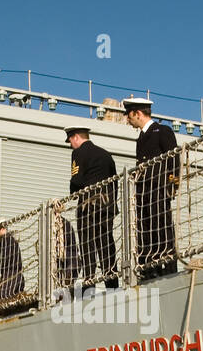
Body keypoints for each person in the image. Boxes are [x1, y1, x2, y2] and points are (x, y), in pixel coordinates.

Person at [124, 97, 179, 275]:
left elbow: (174, 161)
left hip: (158, 189)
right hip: (144, 192)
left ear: (137, 113)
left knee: (162, 227)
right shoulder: (141, 138)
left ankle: (168, 267)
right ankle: (150, 266)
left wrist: (172, 186)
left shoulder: (162, 131)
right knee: (145, 229)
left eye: (129, 115)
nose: (128, 120)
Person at [67, 126, 118, 289]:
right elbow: (114, 181)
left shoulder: (78, 153)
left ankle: (89, 284)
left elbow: (77, 180)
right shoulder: (106, 154)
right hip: (106, 205)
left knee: (87, 245)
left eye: (70, 141)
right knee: (106, 245)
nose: (70, 145)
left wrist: (72, 193)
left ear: (75, 137)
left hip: (88, 206)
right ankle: (112, 284)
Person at [51, 199, 79, 301]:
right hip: (54, 259)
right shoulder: (48, 226)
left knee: (72, 263)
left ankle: (67, 290)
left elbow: (72, 246)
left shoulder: (65, 224)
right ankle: (59, 295)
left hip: (66, 256)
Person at [0, 220, 25, 303]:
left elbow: (6, 258)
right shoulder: (11, 239)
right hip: (18, 276)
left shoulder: (5, 240)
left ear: (1, 228)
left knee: (0, 296)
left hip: (11, 276)